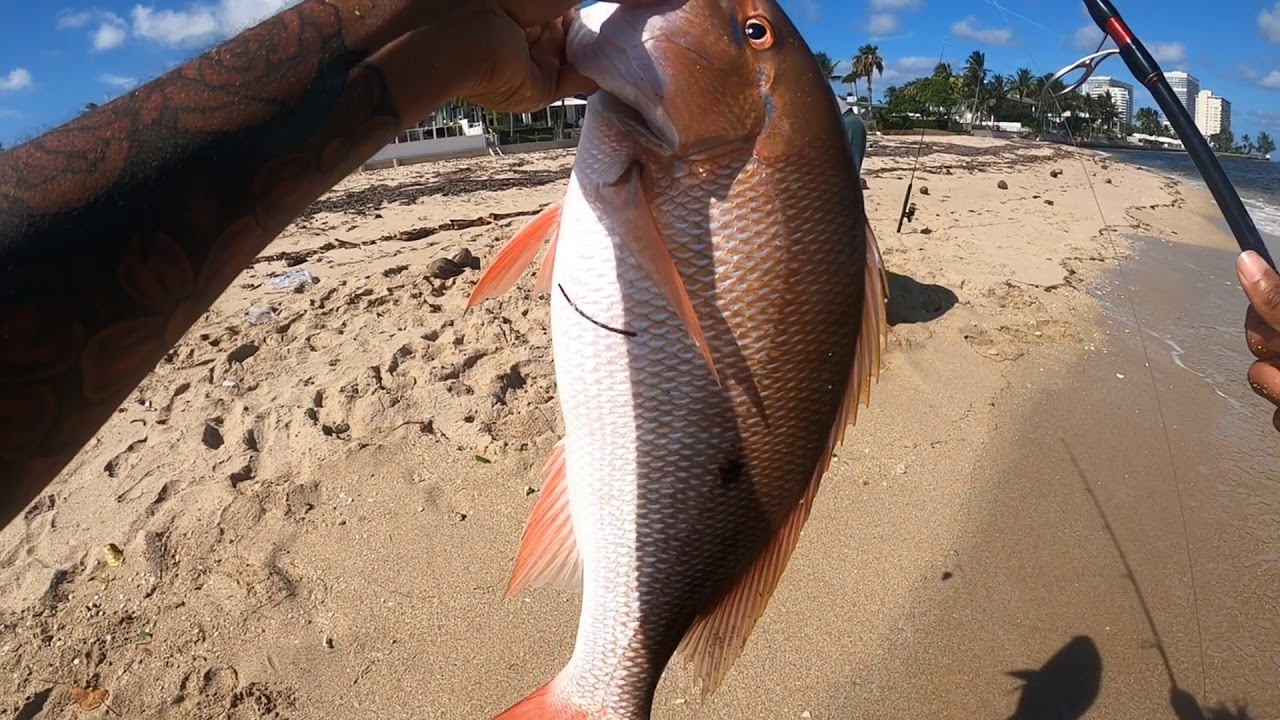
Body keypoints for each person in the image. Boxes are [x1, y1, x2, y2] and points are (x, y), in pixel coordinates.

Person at [0, 0, 1276, 529]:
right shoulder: (683, 153)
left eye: (749, 26)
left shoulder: (694, 159)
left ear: (762, 102)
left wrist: (399, 43)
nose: (730, 15)